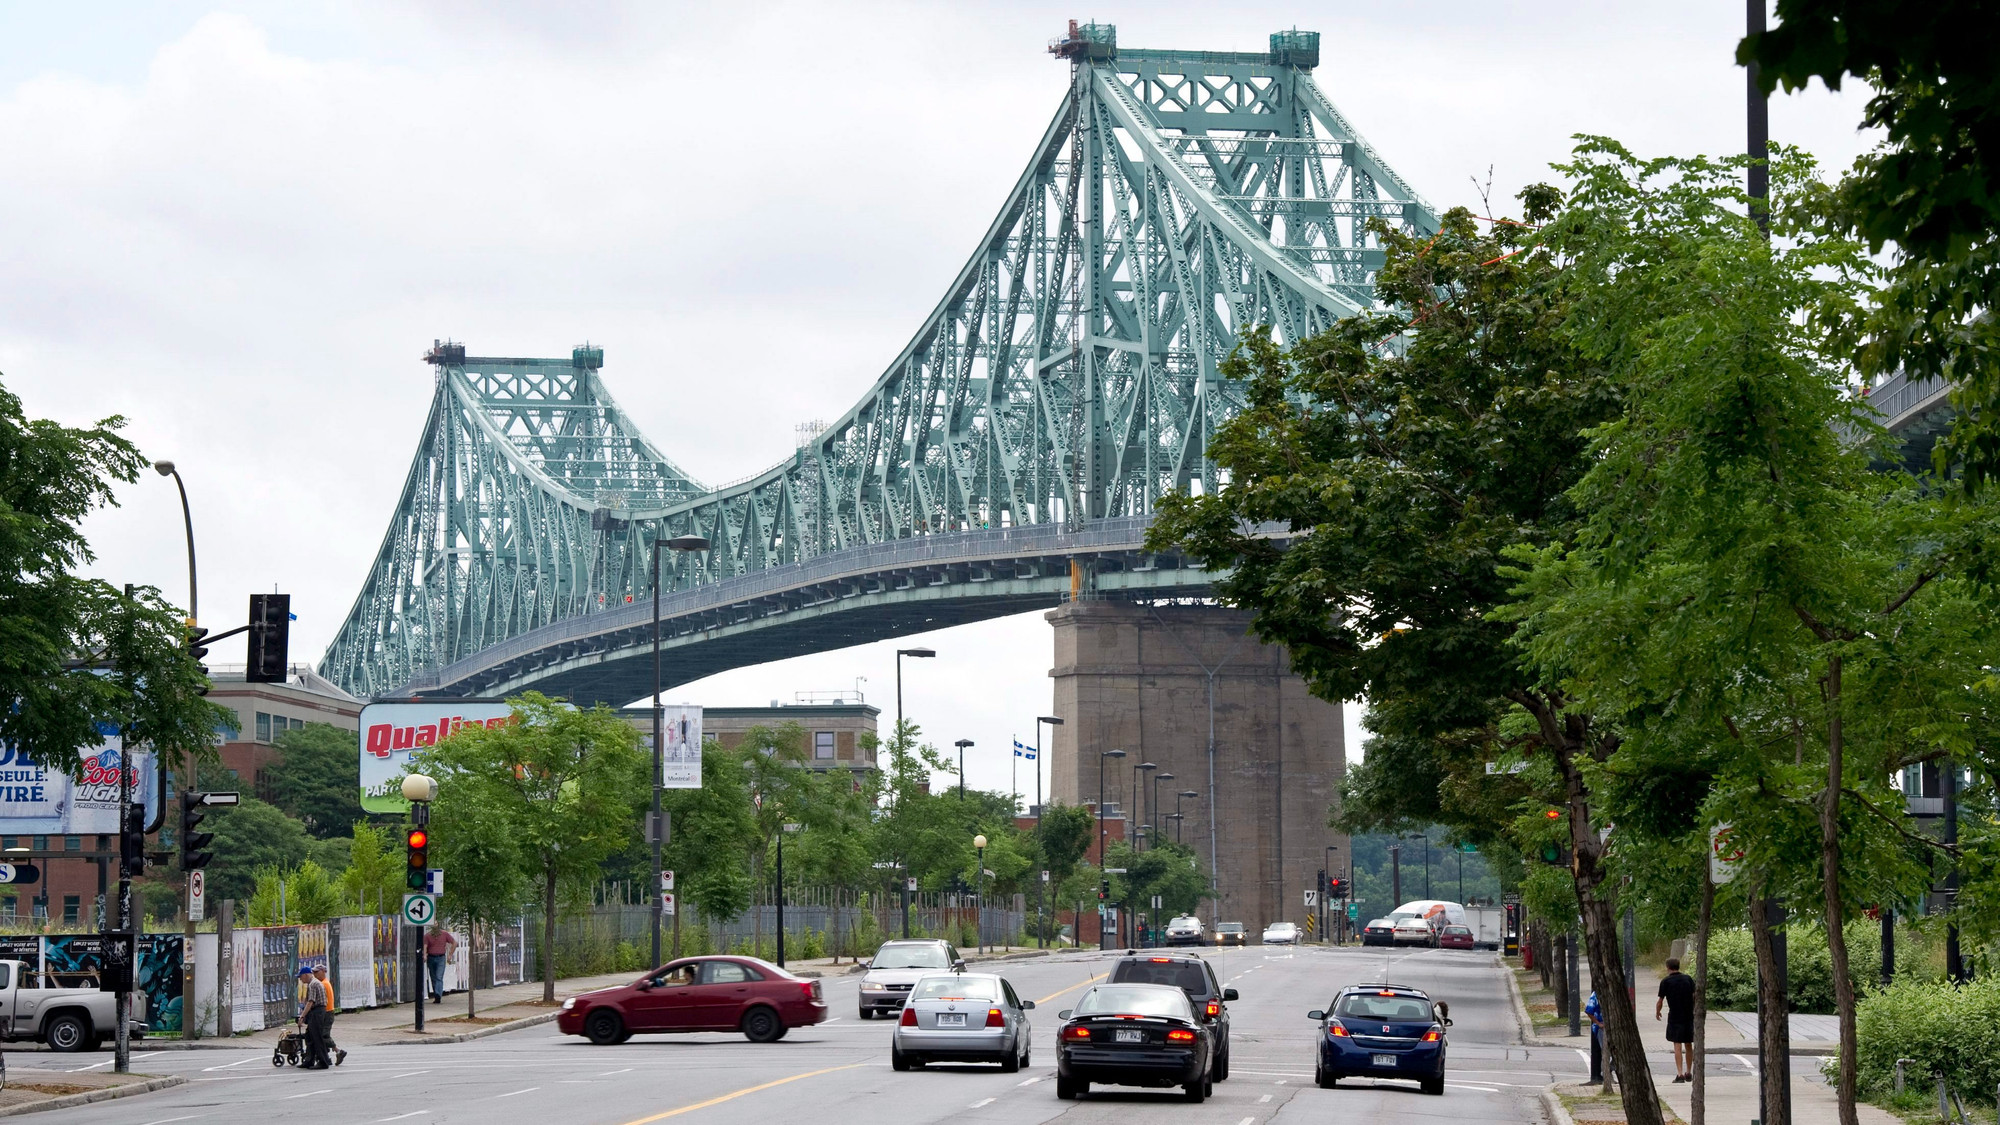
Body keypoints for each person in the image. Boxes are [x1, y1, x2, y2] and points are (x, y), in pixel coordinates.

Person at [1656, 956, 1697, 1082]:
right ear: (1678, 966)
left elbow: (1660, 1001)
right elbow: (1694, 996)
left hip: (1675, 1016)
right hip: (1688, 1015)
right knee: (1688, 1043)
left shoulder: (1666, 982)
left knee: (1677, 1044)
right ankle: (1689, 1072)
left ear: (1668, 967)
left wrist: (1658, 1012)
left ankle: (1679, 1074)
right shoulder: (1688, 979)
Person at [296, 967, 331, 1069]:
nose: (300, 979)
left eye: (301, 977)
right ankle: (309, 1060)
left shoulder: (313, 984)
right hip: (318, 1011)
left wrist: (302, 1016)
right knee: (309, 1036)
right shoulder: (315, 983)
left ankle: (323, 1061)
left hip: (317, 1011)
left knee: (316, 1037)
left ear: (306, 975)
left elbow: (310, 1002)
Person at [313, 964, 346, 1066]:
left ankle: (338, 1051)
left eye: (316, 972)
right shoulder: (324, 983)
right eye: (314, 972)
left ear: (323, 972)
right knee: (324, 1034)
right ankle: (326, 1056)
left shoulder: (323, 984)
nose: (314, 974)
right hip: (328, 1012)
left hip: (327, 1012)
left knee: (323, 1035)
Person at [424, 925, 458, 1004]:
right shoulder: (427, 936)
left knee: (439, 977)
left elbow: (454, 942)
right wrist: (425, 955)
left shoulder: (444, 934)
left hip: (441, 957)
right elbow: (425, 946)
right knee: (433, 977)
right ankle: (436, 995)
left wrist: (450, 954)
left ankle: (438, 994)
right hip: (431, 957)